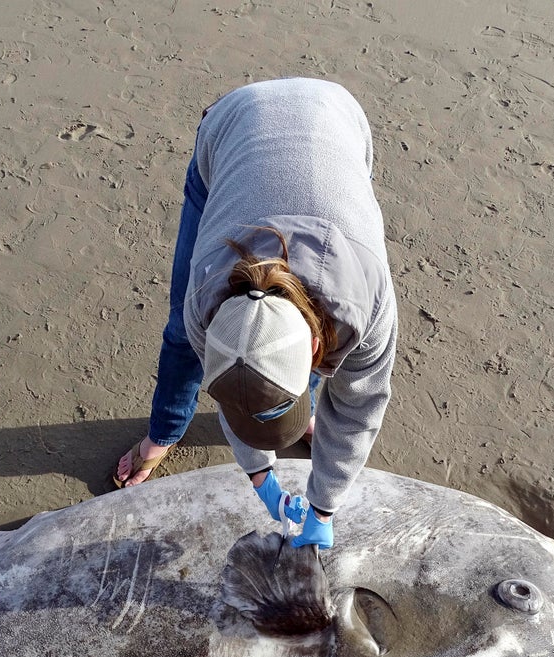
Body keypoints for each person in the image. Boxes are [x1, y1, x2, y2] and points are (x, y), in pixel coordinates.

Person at [112, 78, 398, 550]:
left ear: (314, 346)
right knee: (180, 342)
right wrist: (261, 477)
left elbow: (358, 408)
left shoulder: (366, 307)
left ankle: (288, 403)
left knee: (287, 367)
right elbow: (234, 388)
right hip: (232, 129)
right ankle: (163, 433)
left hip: (337, 120)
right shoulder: (205, 293)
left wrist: (325, 506)